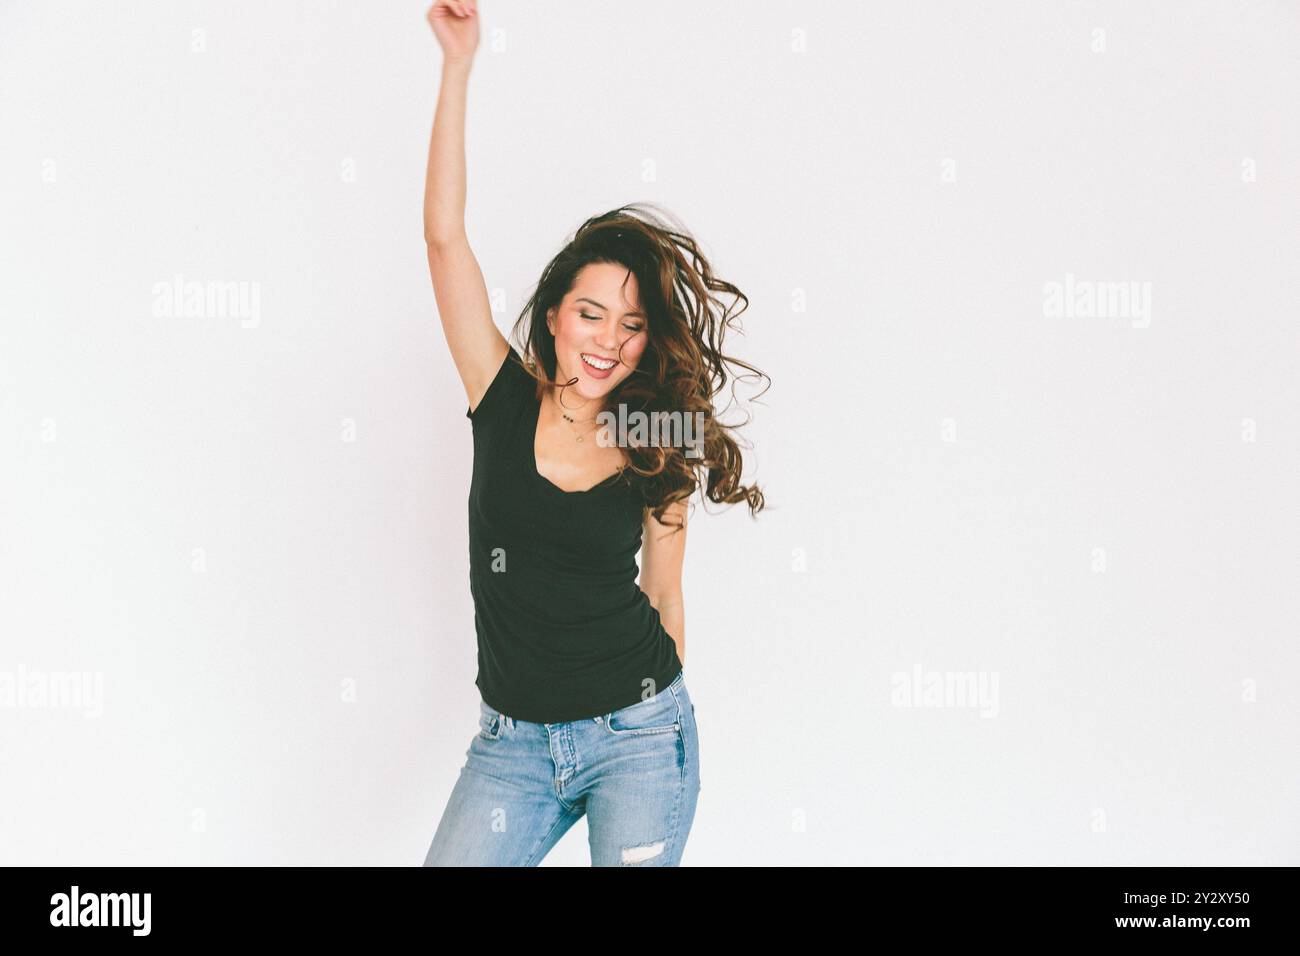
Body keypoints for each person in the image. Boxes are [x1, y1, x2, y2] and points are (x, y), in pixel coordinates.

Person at [420, 0, 767, 866]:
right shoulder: (499, 395)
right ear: (555, 315)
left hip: (639, 736)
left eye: (633, 323)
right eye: (590, 312)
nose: (609, 339)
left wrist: (655, 721)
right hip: (513, 748)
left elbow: (667, 594)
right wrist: (458, 66)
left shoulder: (658, 432)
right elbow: (443, 239)